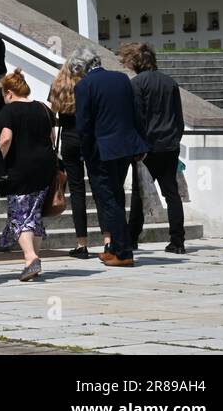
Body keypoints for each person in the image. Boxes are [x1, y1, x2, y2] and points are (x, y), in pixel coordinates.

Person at [73, 46, 149, 267]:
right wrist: (140, 142)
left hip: (101, 151)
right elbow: (136, 111)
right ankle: (115, 247)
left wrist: (85, 153)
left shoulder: (84, 85)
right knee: (116, 195)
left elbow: (84, 125)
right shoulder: (121, 79)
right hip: (125, 147)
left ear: (81, 67)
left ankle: (123, 252)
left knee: (109, 200)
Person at [118, 42, 187, 254]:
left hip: (146, 148)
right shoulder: (170, 82)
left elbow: (135, 117)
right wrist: (175, 139)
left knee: (140, 194)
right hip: (169, 145)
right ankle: (177, 241)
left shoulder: (136, 84)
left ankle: (132, 238)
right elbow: (179, 118)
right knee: (172, 194)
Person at [0, 69, 58, 282]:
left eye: (4, 94)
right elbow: (53, 138)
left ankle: (30, 258)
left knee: (19, 215)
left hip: (20, 169)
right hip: (45, 167)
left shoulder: (9, 111)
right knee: (34, 214)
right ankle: (33, 261)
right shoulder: (42, 108)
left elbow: (5, 139)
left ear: (9, 92)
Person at [49, 58, 106, 259]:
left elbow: (52, 114)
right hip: (90, 139)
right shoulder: (88, 86)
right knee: (99, 188)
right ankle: (108, 240)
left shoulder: (58, 86)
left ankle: (81, 244)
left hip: (69, 140)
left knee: (76, 191)